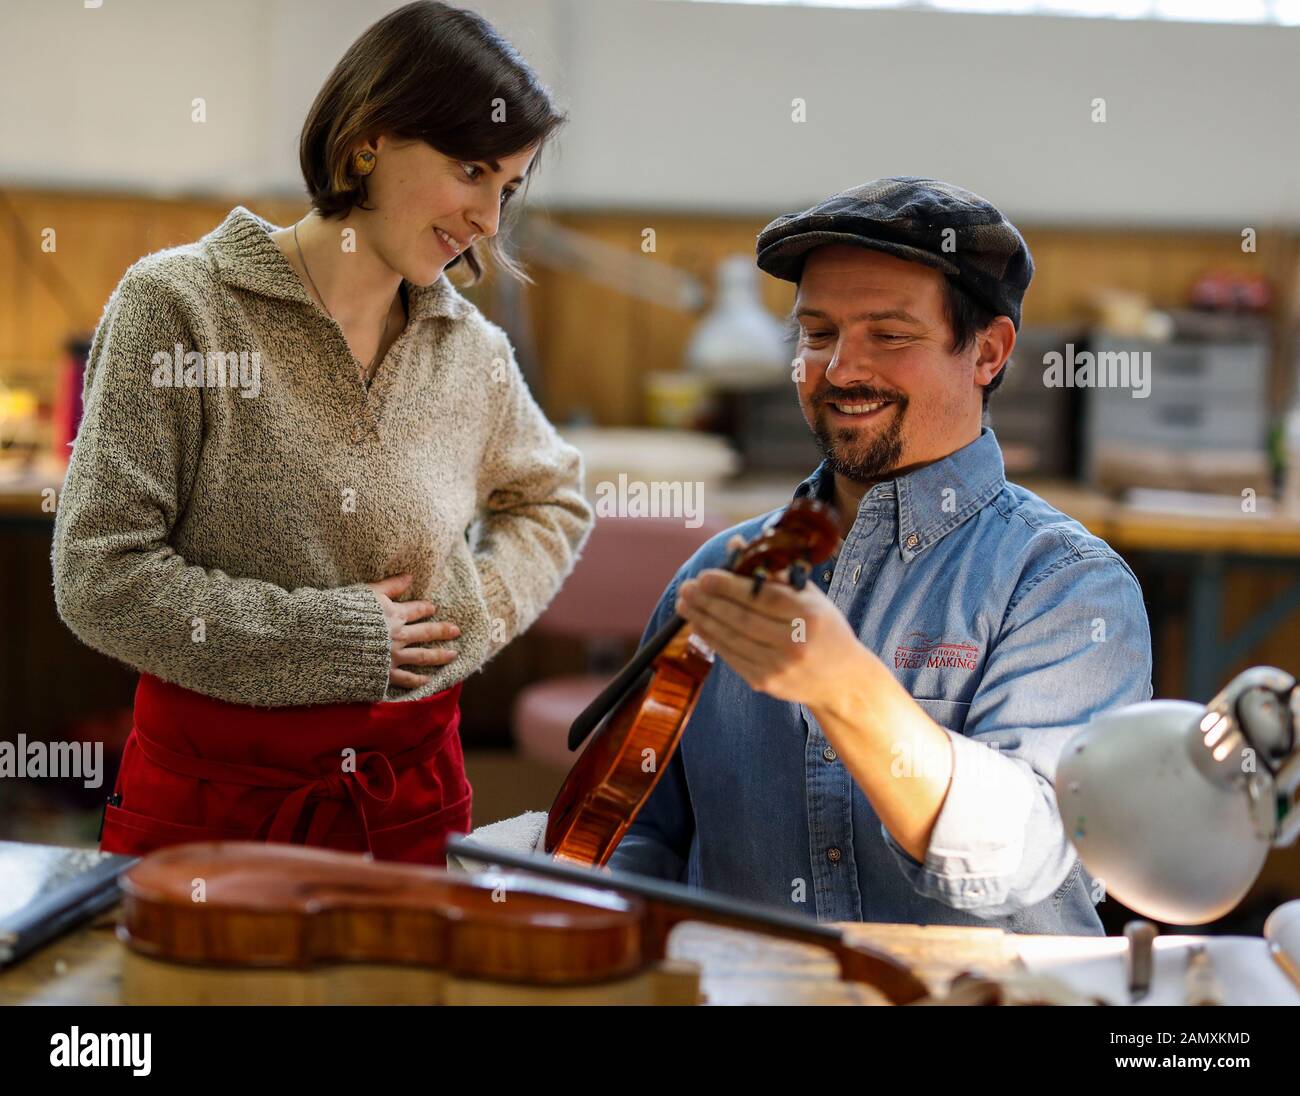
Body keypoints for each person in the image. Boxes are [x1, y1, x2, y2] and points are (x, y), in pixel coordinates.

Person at [51, 1, 593, 865]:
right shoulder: (180, 306)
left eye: (510, 188)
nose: (490, 219)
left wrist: (473, 616)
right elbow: (98, 576)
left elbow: (553, 499)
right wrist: (332, 641)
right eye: (471, 171)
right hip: (213, 807)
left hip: (410, 804)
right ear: (368, 141)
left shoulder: (471, 351)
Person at [607, 177, 1153, 934]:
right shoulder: (719, 576)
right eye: (818, 333)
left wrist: (846, 689)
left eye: (889, 336)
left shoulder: (1065, 588)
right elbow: (638, 837)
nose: (840, 370)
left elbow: (1031, 858)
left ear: (988, 352)